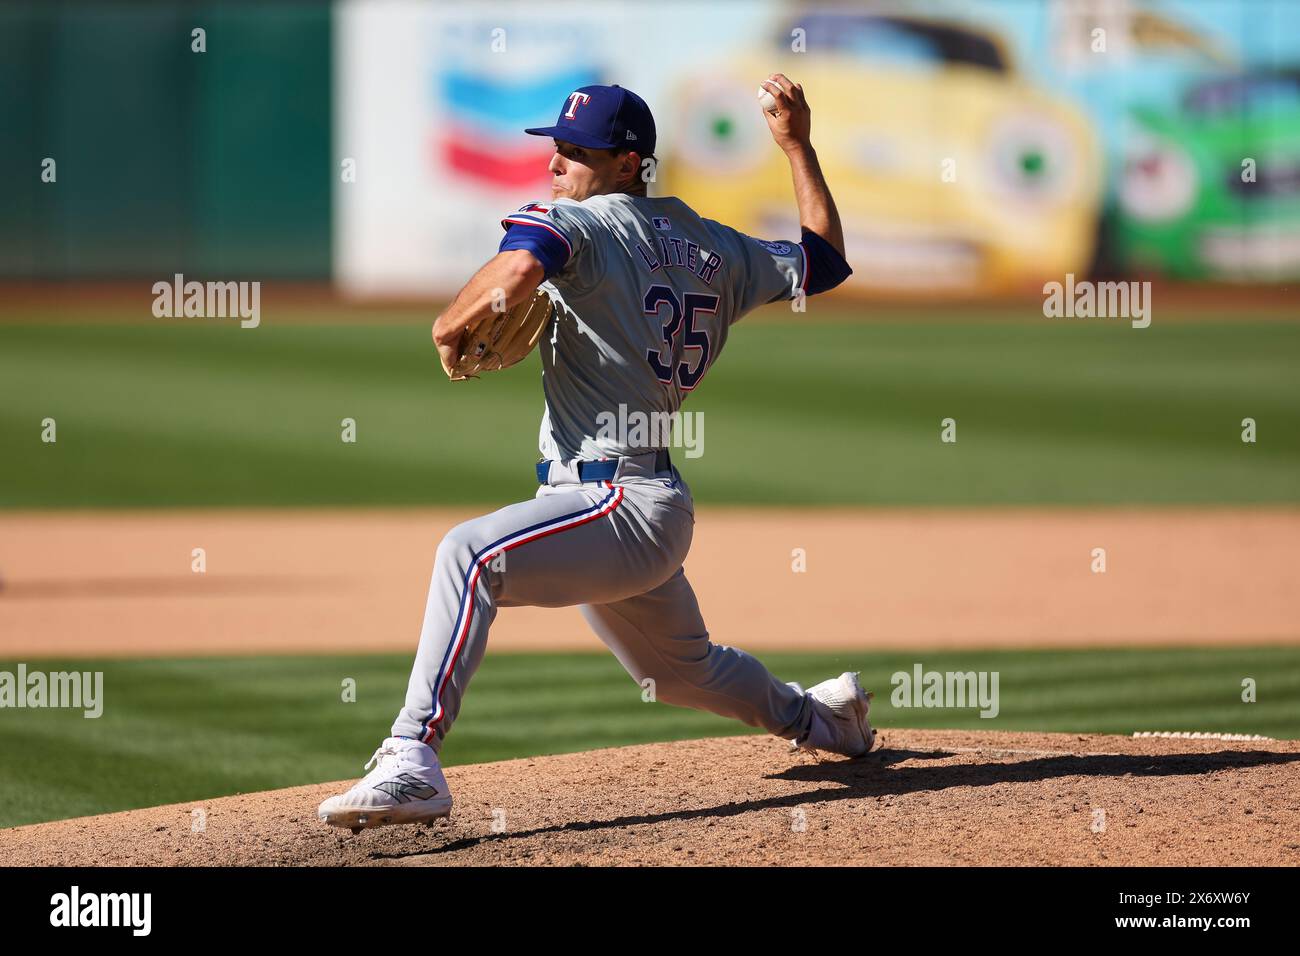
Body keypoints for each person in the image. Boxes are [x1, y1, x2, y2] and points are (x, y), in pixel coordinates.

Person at [318, 76, 872, 833]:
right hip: (644, 509)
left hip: (617, 503)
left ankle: (413, 755)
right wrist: (797, 147)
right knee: (680, 670)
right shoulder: (714, 244)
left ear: (628, 163)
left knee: (469, 556)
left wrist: (452, 321)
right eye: (557, 147)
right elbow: (824, 261)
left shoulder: (583, 226)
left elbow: (517, 269)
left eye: (579, 152)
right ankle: (824, 719)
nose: (557, 163)